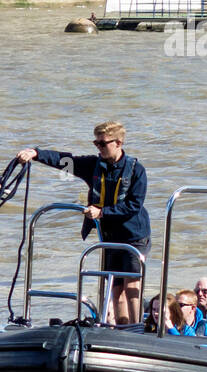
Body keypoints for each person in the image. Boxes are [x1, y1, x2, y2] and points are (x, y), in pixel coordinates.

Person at [16, 120, 149, 324]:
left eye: (103, 144)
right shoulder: (93, 165)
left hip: (134, 235)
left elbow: (134, 205)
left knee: (131, 285)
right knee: (115, 286)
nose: (99, 148)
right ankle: (123, 330)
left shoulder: (136, 169)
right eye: (96, 144)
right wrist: (36, 153)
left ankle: (138, 328)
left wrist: (102, 212)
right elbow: (65, 160)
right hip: (110, 236)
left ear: (118, 143)